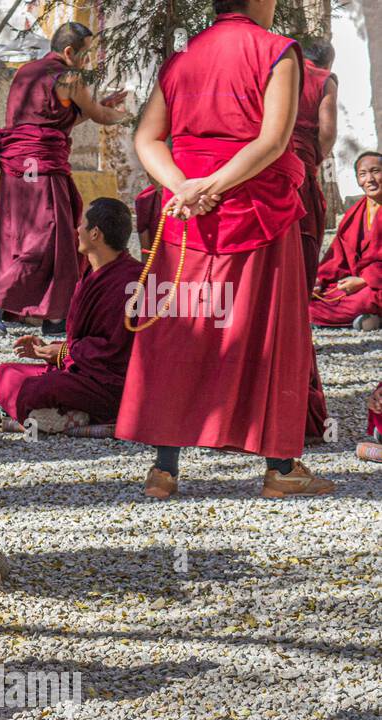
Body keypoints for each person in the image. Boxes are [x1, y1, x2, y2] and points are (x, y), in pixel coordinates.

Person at [116, 0, 333, 501]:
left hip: (188, 214)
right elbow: (274, 140)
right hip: (256, 207)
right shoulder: (277, 50)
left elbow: (146, 137)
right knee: (268, 334)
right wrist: (213, 184)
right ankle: (280, 468)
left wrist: (184, 187)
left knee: (178, 332)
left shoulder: (184, 56)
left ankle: (164, 471)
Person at [0, 22, 129, 338]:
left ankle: (55, 314)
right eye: (85, 55)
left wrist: (98, 107)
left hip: (21, 164)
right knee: (48, 237)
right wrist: (127, 115)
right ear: (69, 52)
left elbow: (56, 114)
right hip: (39, 165)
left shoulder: (28, 71)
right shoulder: (69, 76)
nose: (87, 62)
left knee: (43, 235)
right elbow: (98, 115)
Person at [0, 198, 139, 433]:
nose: (77, 230)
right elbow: (87, 339)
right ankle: (54, 415)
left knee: (41, 388)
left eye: (82, 225)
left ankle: (10, 413)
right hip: (82, 370)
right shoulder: (92, 272)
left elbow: (116, 352)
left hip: (111, 386)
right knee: (7, 373)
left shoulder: (130, 281)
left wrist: (65, 353)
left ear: (95, 234)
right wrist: (49, 350)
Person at [294, 37, 337, 440]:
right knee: (296, 296)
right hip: (299, 184)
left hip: (259, 181)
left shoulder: (275, 72)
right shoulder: (324, 80)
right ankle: (300, 405)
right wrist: (310, 161)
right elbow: (327, 133)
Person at [310, 152, 382, 331]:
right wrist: (320, 280)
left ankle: (372, 318)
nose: (370, 179)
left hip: (374, 284)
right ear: (357, 179)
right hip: (356, 282)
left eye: (376, 171)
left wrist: (364, 280)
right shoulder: (354, 213)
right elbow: (338, 256)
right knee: (314, 297)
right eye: (363, 174)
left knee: (363, 298)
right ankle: (370, 318)